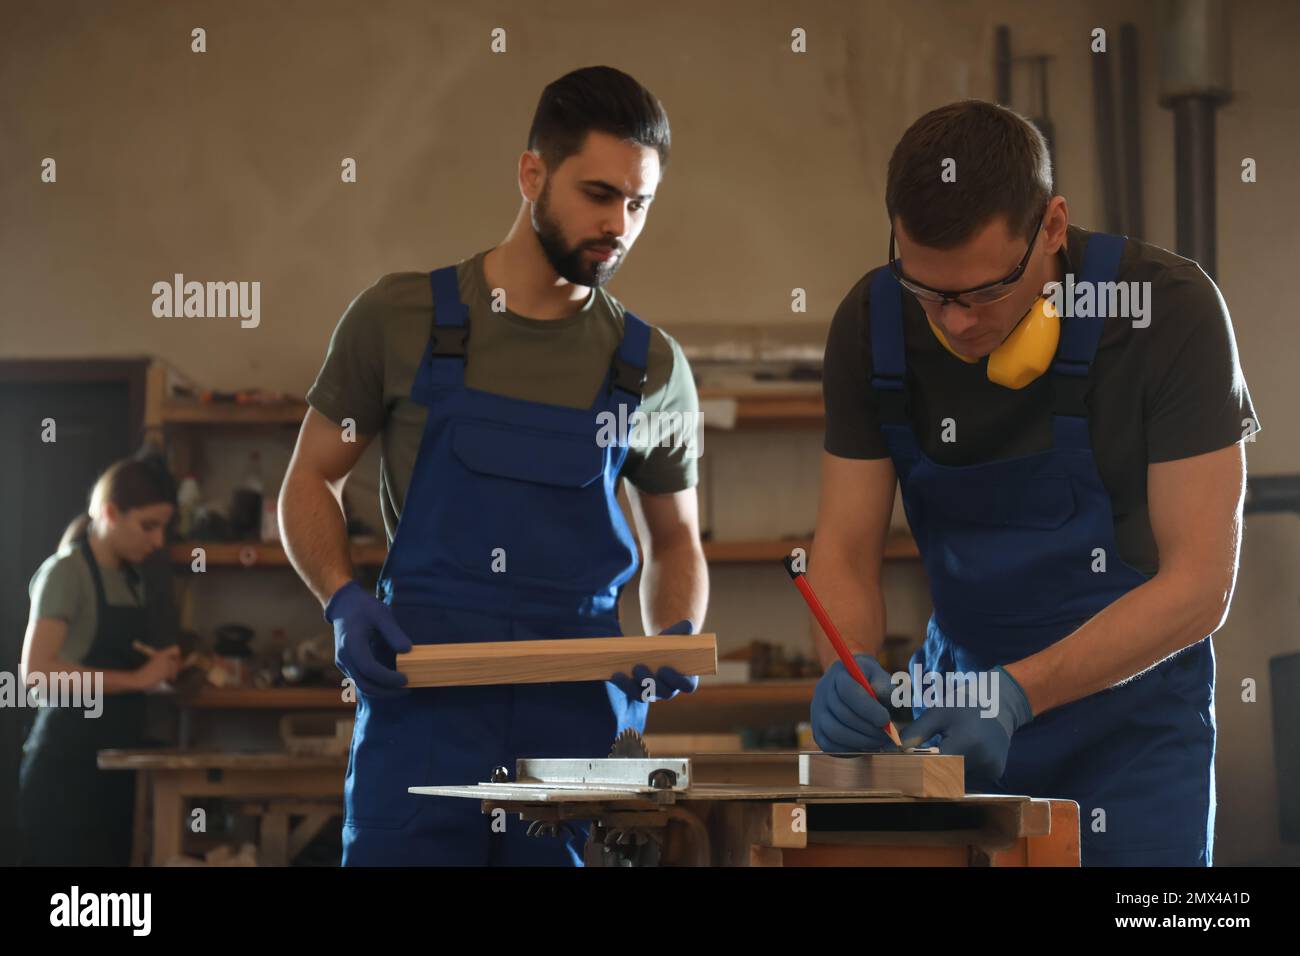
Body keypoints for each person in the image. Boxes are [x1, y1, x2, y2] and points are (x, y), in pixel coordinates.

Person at [280, 65, 709, 866]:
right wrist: (341, 599)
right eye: (599, 193)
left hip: (578, 729)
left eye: (639, 203)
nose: (618, 224)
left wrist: (676, 633)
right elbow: (309, 478)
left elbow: (676, 540)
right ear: (531, 174)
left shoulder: (651, 368)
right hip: (422, 707)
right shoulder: (399, 319)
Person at [808, 100, 1255, 865]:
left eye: (984, 292)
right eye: (928, 291)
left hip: (1134, 738)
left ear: (1051, 226)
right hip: (955, 727)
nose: (955, 322)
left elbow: (1201, 585)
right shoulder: (870, 325)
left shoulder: (1168, 313)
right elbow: (844, 553)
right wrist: (845, 669)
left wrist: (1017, 695)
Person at [20, 454, 182, 865]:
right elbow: (37, 674)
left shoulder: (131, 579)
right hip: (65, 771)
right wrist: (138, 679)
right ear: (110, 513)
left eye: (163, 528)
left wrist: (158, 672)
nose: (158, 541)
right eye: (148, 526)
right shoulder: (66, 572)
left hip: (114, 768)